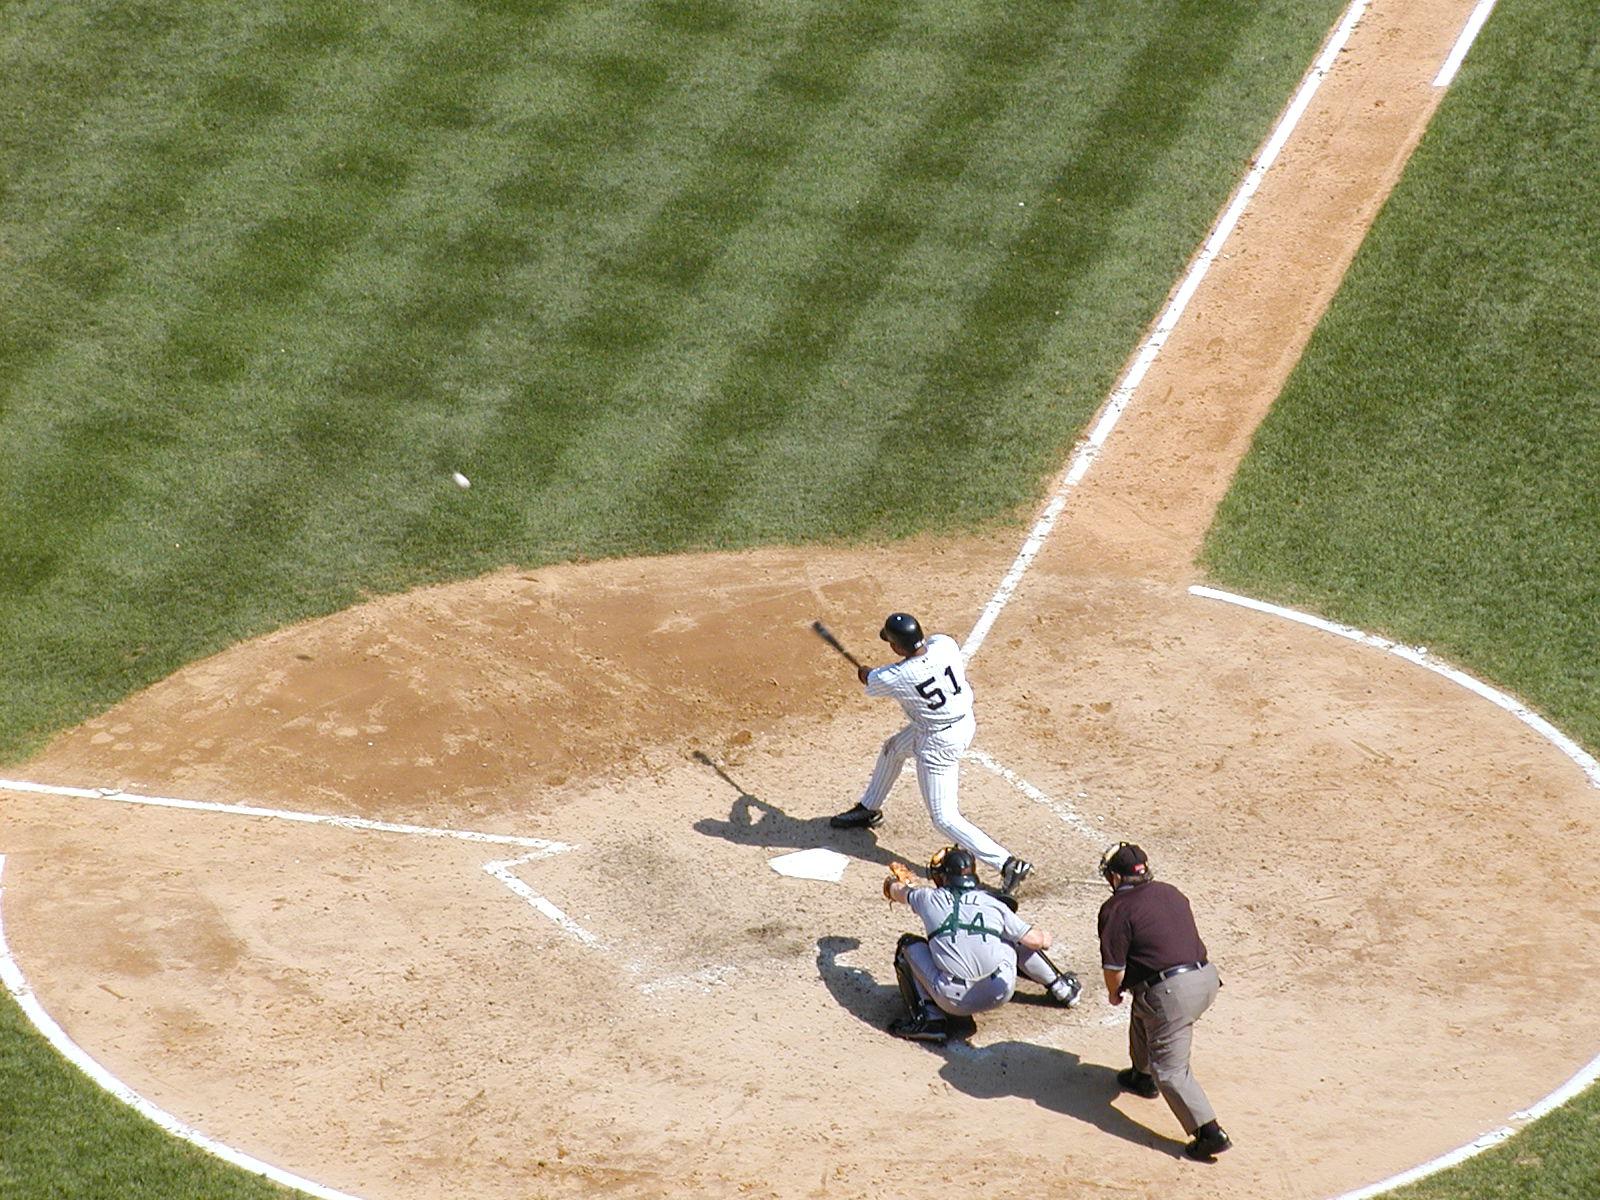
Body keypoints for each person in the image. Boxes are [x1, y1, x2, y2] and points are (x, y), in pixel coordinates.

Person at [830, 612, 1033, 896]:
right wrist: (873, 673)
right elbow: (892, 669)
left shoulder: (896, 676)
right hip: (962, 722)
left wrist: (865, 672)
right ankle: (867, 808)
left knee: (943, 817)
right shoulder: (944, 645)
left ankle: (1007, 863)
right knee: (893, 749)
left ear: (896, 647)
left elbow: (870, 679)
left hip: (938, 741)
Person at [1097, 842, 1232, 1162]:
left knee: (1170, 1070)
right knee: (1144, 1006)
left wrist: (1114, 992)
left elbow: (1114, 968)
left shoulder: (1116, 908)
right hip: (1206, 980)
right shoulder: (1171, 892)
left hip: (1174, 995)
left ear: (1116, 877)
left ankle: (1208, 1133)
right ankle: (1140, 1077)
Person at [881, 846, 1081, 1044]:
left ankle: (931, 1020)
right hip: (999, 991)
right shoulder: (992, 903)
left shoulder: (927, 898)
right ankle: (1063, 989)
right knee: (1013, 936)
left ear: (944, 877)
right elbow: (1037, 941)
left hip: (952, 1000)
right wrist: (1045, 936)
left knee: (907, 945)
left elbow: (896, 890)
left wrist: (892, 883)